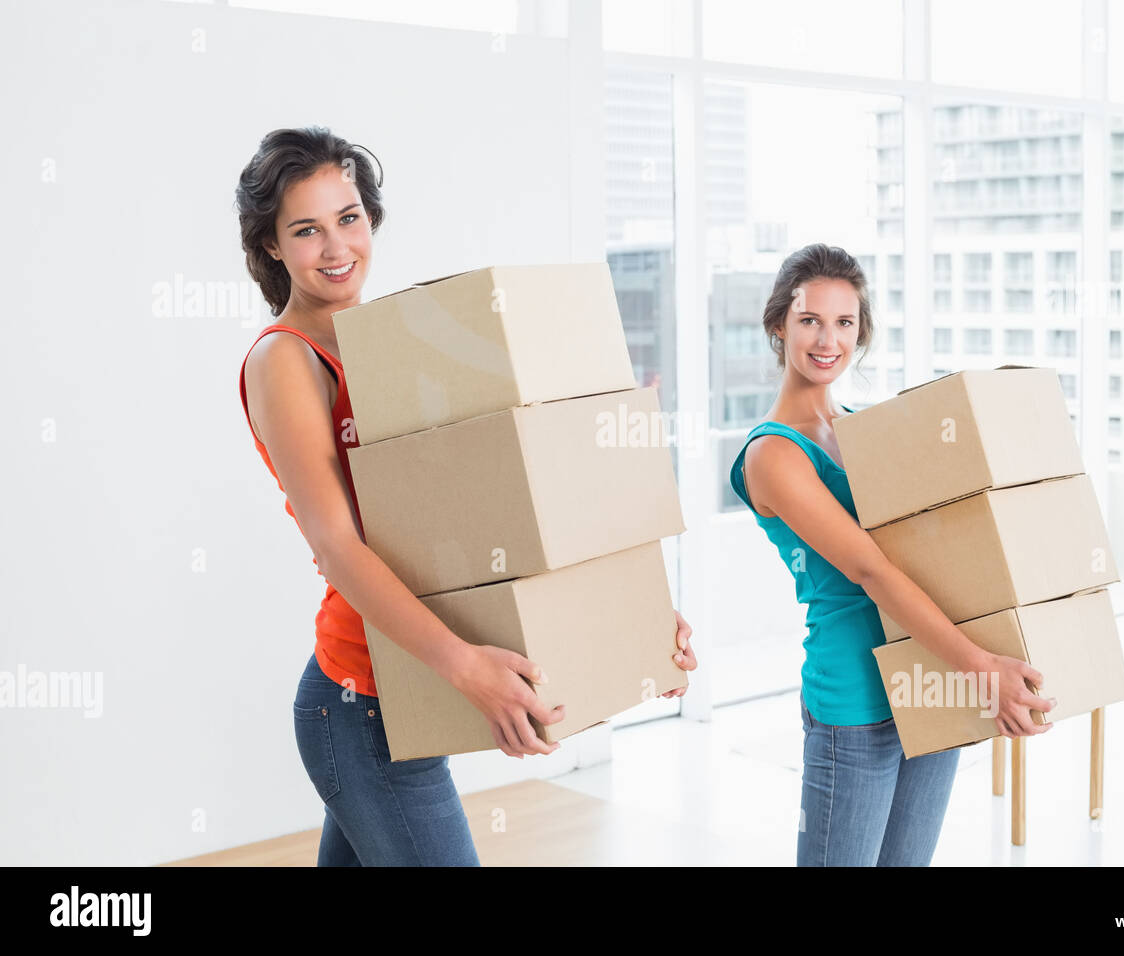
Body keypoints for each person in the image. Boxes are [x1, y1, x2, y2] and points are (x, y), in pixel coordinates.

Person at [233, 126, 697, 866]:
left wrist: (627, 613)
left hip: (405, 687)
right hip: (361, 702)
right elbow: (337, 547)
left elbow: (495, 505)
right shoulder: (285, 360)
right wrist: (466, 668)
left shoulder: (392, 344)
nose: (335, 247)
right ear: (271, 247)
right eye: (306, 229)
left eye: (349, 218)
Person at [728, 243, 1054, 867]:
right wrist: (981, 666)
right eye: (810, 320)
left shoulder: (866, 426)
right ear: (779, 326)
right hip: (856, 695)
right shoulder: (773, 454)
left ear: (862, 332)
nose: (829, 339)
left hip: (931, 670)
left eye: (844, 322)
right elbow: (870, 569)